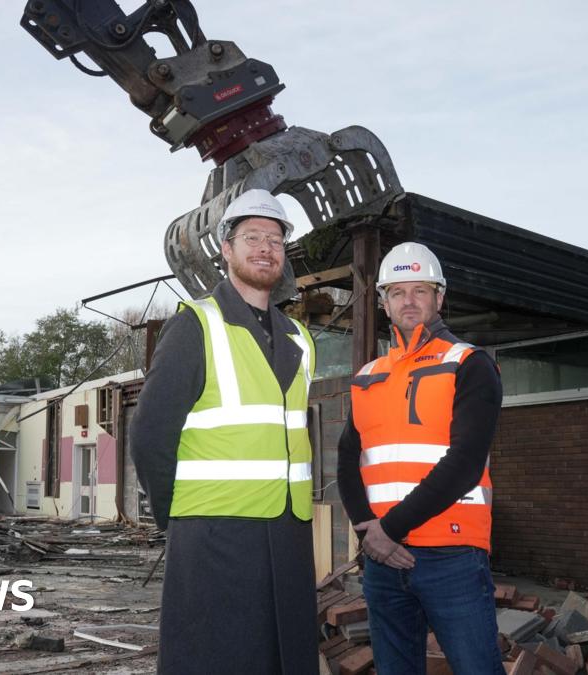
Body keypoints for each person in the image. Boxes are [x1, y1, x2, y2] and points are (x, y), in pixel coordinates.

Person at [130, 189, 318, 675]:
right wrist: (180, 518)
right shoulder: (197, 325)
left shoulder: (299, 338)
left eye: (275, 239)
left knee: (284, 659)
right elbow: (150, 435)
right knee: (216, 659)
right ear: (226, 250)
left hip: (288, 532)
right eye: (252, 236)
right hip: (215, 536)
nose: (265, 247)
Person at [337, 241, 504, 674]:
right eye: (398, 292)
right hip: (381, 562)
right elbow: (346, 462)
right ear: (384, 304)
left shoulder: (469, 363)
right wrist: (367, 531)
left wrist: (387, 530)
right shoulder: (367, 377)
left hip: (452, 555)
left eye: (420, 291)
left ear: (439, 298)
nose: (409, 301)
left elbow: (465, 463)